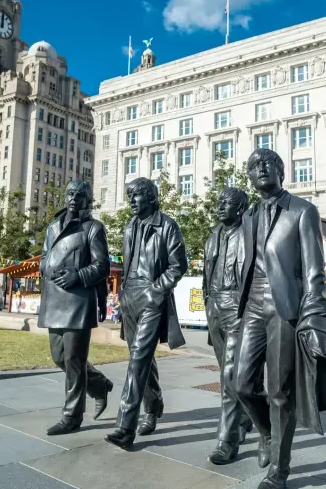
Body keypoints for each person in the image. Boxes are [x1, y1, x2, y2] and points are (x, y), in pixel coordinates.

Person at [231, 148, 326, 489]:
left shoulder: (302, 211)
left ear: (281, 171)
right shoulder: (248, 215)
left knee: (279, 390)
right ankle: (266, 433)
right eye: (253, 166)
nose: (260, 169)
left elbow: (315, 269)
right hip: (253, 307)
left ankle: (279, 468)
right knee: (240, 383)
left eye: (267, 163)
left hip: (286, 308)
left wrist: (311, 310)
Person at [105, 178, 188, 450]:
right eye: (130, 195)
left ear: (152, 198)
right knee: (141, 358)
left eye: (138, 195)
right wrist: (122, 295)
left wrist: (156, 291)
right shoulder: (129, 227)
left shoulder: (167, 226)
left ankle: (124, 427)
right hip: (129, 298)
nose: (132, 200)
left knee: (138, 359)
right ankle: (154, 405)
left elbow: (178, 265)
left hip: (152, 297)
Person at [38, 180, 115, 436]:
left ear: (87, 200)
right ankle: (99, 385)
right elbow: (44, 256)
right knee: (59, 357)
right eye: (70, 193)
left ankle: (72, 415)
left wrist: (78, 276)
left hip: (78, 300)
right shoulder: (52, 227)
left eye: (79, 195)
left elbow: (103, 266)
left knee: (73, 359)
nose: (74, 198)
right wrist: (45, 267)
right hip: (54, 299)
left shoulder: (93, 228)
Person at [202, 186, 256, 465]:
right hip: (215, 307)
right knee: (230, 371)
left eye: (227, 203)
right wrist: (208, 304)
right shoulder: (212, 236)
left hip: (238, 308)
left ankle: (227, 439)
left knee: (229, 376)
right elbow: (206, 276)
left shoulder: (251, 235)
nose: (220, 206)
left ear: (241, 207)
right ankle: (247, 417)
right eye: (219, 201)